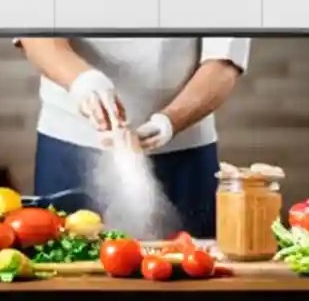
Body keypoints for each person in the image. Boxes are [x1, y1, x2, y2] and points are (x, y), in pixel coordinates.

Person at [17, 36, 250, 238]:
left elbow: (224, 61)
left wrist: (170, 122)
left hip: (186, 156)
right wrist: (83, 81)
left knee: (190, 278)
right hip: (68, 146)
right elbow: (37, 37)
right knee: (66, 276)